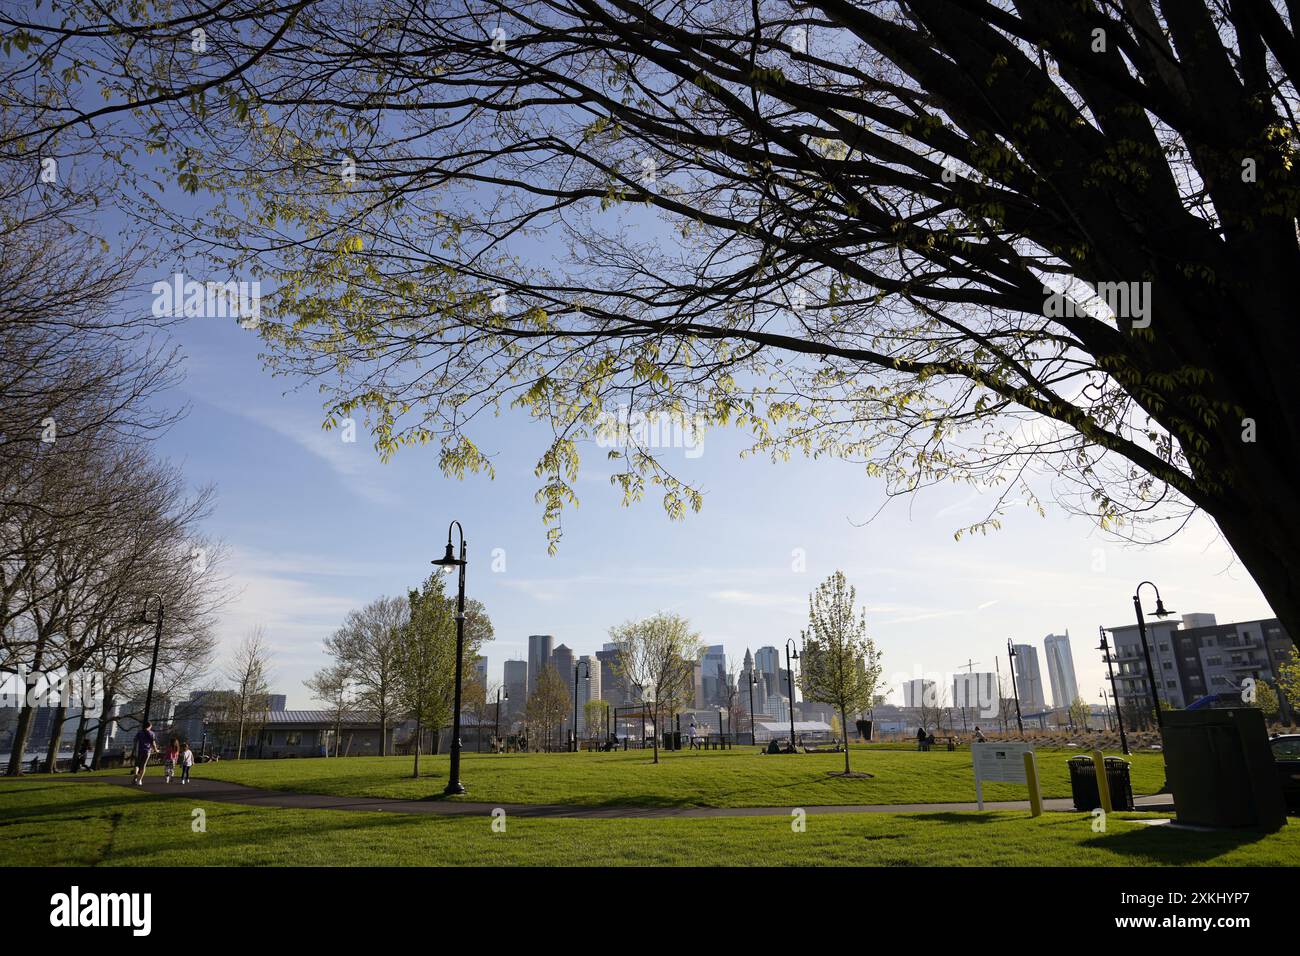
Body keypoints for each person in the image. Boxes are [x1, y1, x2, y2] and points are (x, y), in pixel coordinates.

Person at [132, 721, 157, 785]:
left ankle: (135, 776)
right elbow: (153, 743)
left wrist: (135, 748)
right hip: (147, 751)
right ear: (150, 726)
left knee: (137, 764)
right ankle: (139, 780)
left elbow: (135, 740)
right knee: (143, 765)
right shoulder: (152, 733)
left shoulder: (139, 733)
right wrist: (156, 750)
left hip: (139, 750)